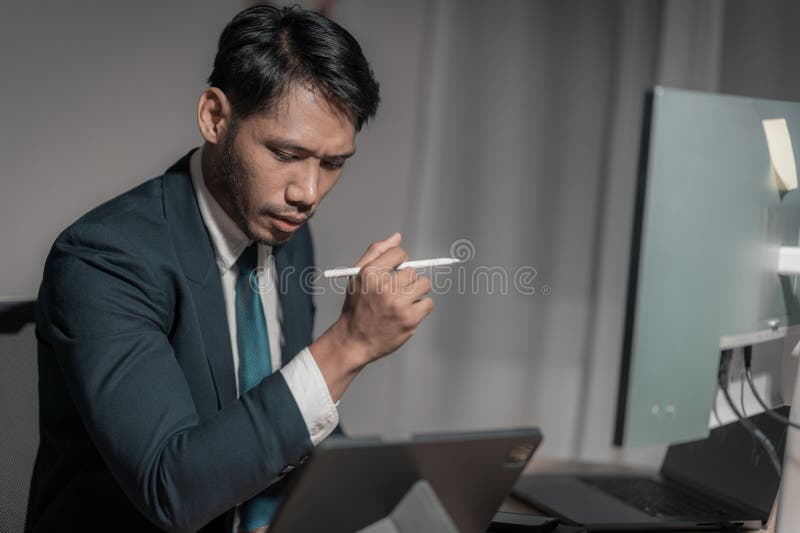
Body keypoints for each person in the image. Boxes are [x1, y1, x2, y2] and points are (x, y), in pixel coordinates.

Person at [25, 5, 433, 533]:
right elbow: (173, 490)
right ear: (215, 117)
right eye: (286, 153)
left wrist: (382, 502)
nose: (307, 194)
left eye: (333, 164)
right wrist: (349, 344)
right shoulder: (104, 260)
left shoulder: (287, 232)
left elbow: (281, 414)